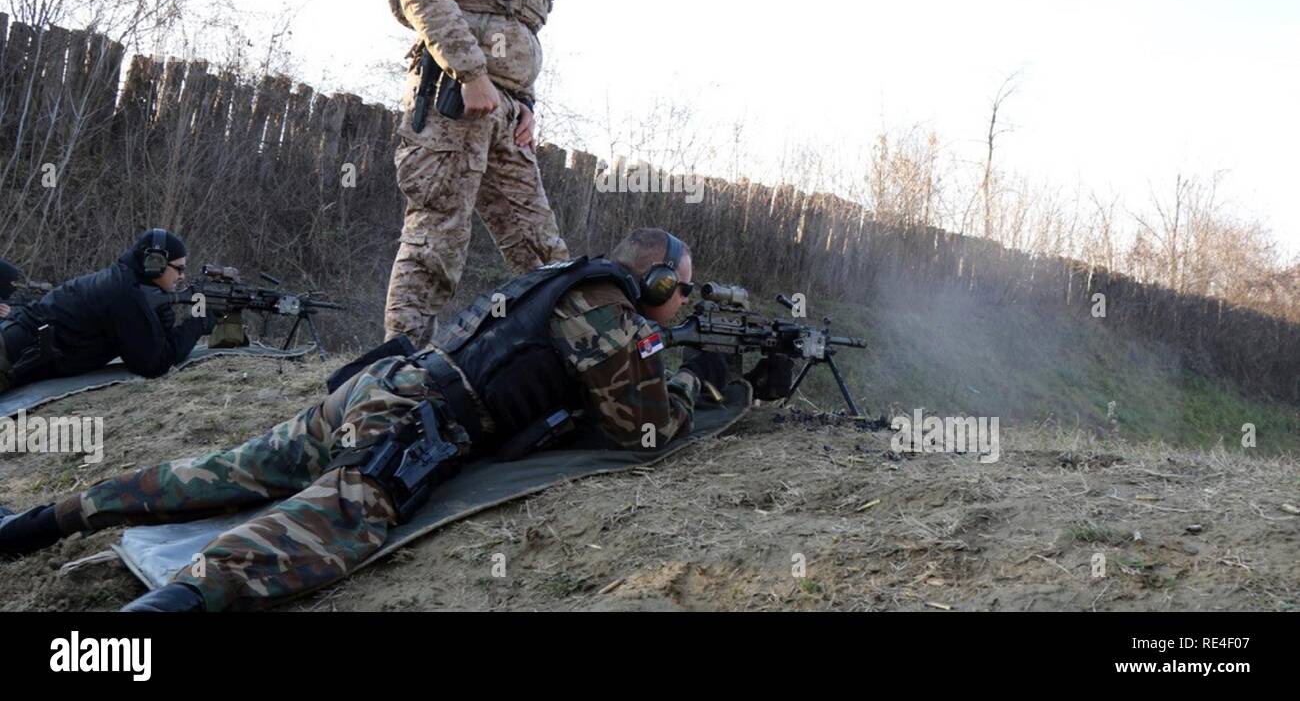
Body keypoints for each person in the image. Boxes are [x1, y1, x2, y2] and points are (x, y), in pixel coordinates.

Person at [0, 228, 795, 611]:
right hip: (414, 424)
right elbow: (643, 431)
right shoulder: (608, 312)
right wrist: (703, 378)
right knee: (311, 536)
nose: (683, 301)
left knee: (226, 470)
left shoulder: (560, 278)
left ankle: (39, 522)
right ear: (654, 281)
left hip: (381, 384)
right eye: (680, 288)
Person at [386, 0, 575, 346]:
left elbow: (514, 25)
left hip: (503, 110)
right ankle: (398, 370)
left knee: (540, 249)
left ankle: (566, 362)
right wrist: (470, 73)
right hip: (455, 100)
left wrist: (525, 101)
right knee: (436, 239)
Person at [0, 229, 216, 394]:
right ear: (155, 263)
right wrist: (198, 323)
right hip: (7, 356)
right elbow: (153, 364)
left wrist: (164, 321)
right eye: (179, 268)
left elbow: (155, 348)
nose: (182, 276)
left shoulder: (124, 282)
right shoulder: (125, 293)